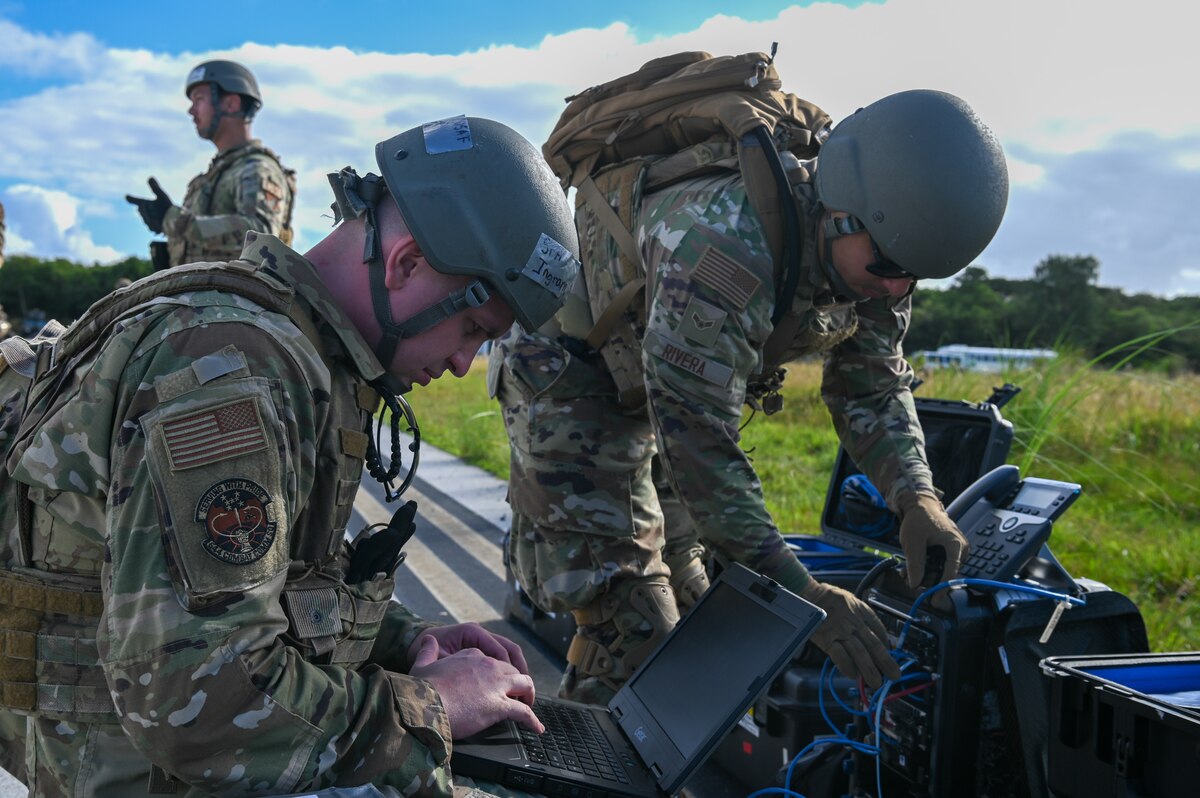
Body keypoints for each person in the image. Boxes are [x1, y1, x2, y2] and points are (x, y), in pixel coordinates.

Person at [0, 116, 580, 796]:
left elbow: (268, 582)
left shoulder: (294, 346)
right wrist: (434, 707)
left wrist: (407, 642)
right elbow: (202, 706)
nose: (461, 363)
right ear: (407, 263)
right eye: (473, 329)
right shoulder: (234, 369)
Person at [491, 89, 1009, 703]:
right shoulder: (721, 248)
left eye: (913, 275)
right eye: (889, 264)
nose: (896, 285)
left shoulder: (880, 248)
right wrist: (805, 594)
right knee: (634, 623)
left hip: (664, 385)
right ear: (839, 211)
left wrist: (918, 498)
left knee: (692, 596)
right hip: (571, 378)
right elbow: (702, 449)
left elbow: (872, 389)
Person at [126, 60, 296, 270]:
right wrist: (164, 221)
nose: (191, 110)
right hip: (201, 295)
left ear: (231, 103)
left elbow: (260, 236)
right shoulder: (215, 175)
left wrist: (176, 221)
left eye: (199, 99)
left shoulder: (257, 169)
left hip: (236, 298)